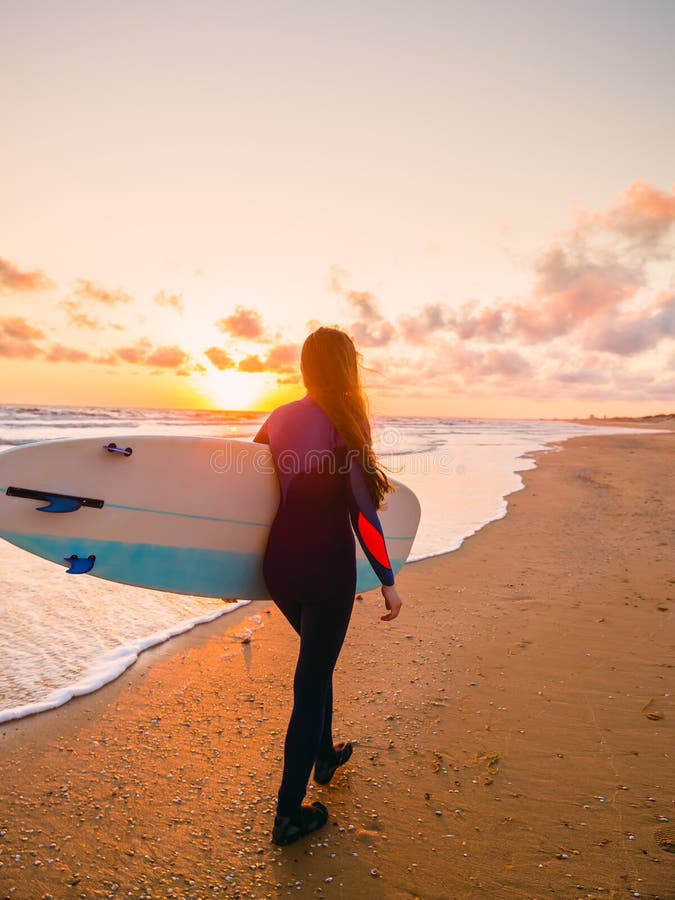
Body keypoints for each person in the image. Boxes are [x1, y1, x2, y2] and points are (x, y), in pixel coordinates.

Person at [253, 326, 404, 846]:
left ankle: (325, 755)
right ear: (347, 366)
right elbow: (363, 512)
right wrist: (387, 580)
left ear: (305, 366)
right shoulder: (347, 419)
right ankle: (288, 815)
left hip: (280, 567)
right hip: (326, 572)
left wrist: (227, 571)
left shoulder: (279, 416)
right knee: (311, 683)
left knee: (318, 662)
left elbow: (242, 494)